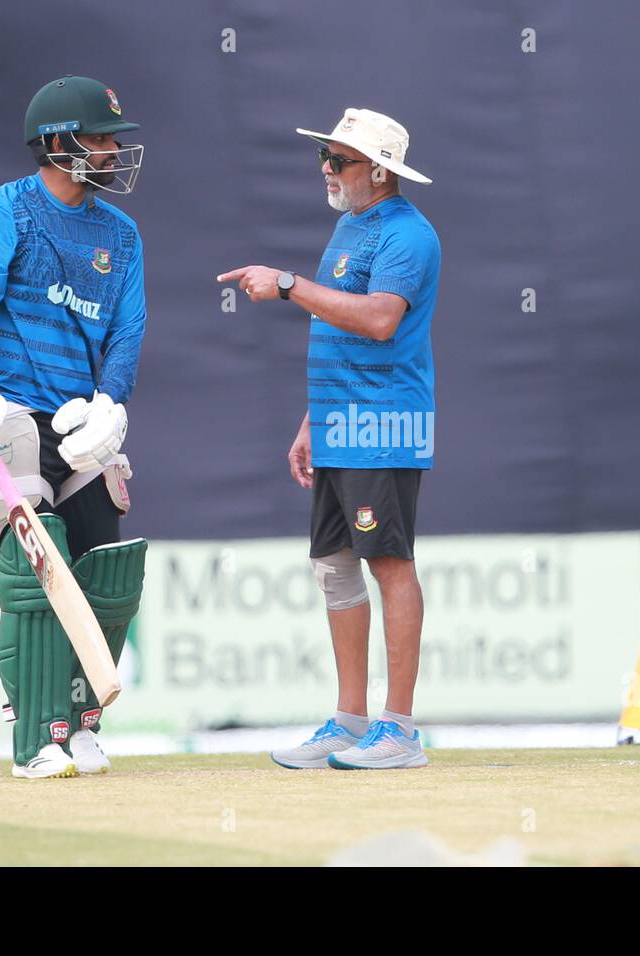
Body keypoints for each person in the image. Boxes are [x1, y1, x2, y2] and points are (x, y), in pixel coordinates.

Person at [218, 108, 441, 769]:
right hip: (343, 425)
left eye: (338, 160)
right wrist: (313, 420)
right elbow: (342, 330)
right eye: (325, 156)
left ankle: (398, 731)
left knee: (390, 566)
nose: (325, 169)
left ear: (378, 170)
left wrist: (288, 285)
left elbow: (377, 322)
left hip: (385, 426)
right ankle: (350, 722)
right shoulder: (351, 225)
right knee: (335, 567)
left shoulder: (408, 234)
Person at [0, 76, 148, 779]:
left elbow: (127, 328)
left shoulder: (120, 235)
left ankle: (81, 722)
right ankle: (34, 737)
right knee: (35, 568)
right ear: (57, 144)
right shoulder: (5, 209)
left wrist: (110, 401)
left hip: (79, 416)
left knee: (104, 574)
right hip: (10, 411)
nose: (114, 150)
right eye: (99, 138)